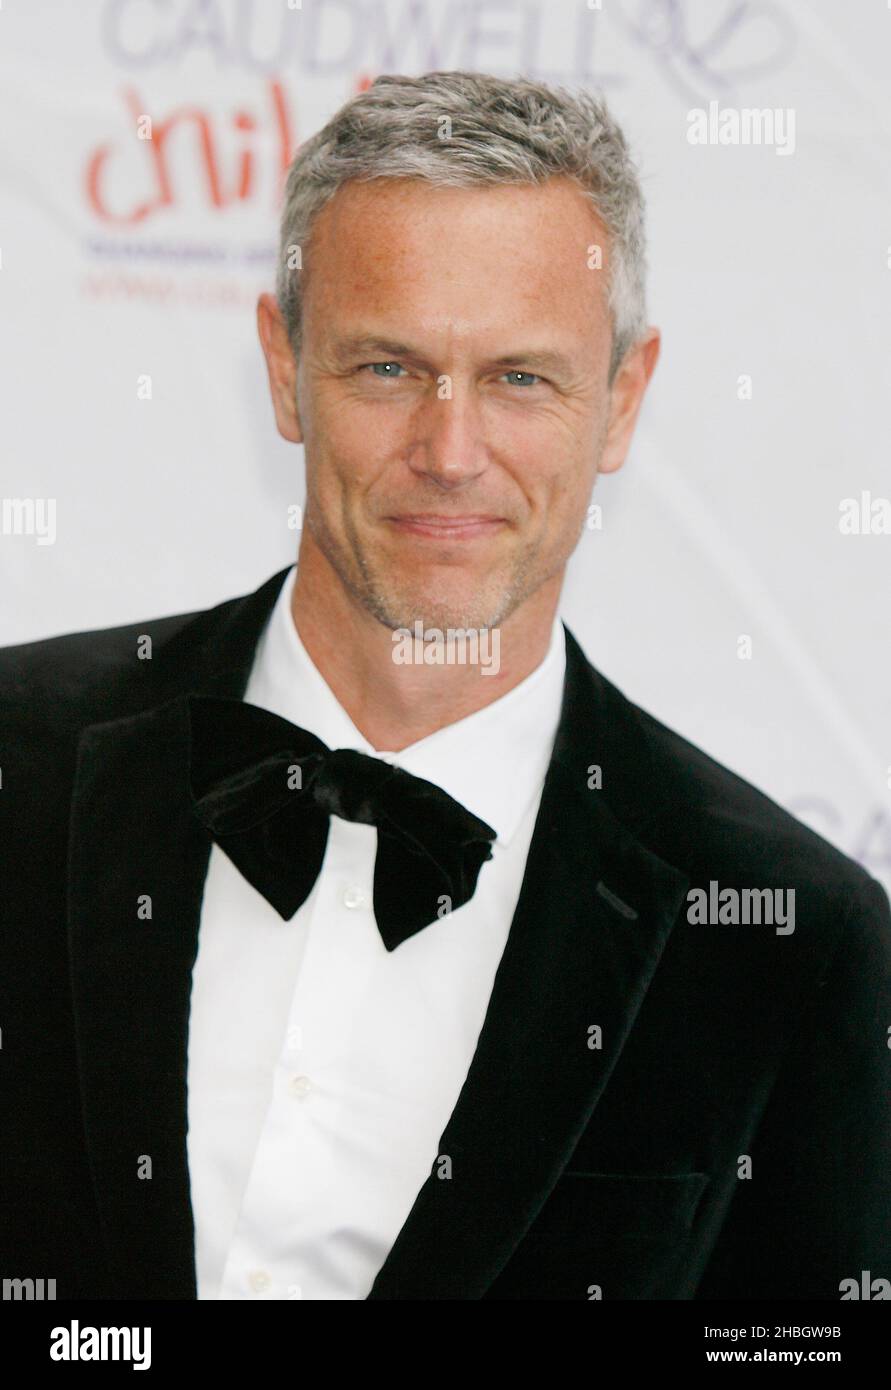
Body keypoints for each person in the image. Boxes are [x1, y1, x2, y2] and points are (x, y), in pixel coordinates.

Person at [1, 71, 888, 1302]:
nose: (451, 452)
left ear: (622, 400)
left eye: (522, 378)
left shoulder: (792, 935)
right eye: (385, 368)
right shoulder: (17, 761)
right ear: (283, 365)